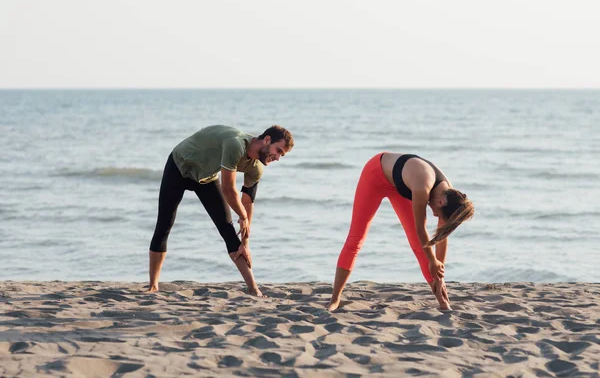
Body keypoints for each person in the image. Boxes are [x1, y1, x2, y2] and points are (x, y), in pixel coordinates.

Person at [147, 125, 294, 296]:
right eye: (278, 150)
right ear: (267, 140)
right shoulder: (236, 145)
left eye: (281, 155)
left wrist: (245, 243)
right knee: (164, 224)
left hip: (205, 178)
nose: (277, 158)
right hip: (179, 166)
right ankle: (153, 286)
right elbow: (228, 189)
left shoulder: (256, 168)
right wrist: (243, 216)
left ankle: (254, 289)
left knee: (228, 230)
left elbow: (247, 203)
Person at [327, 152, 474, 311]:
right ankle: (335, 300)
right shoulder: (422, 185)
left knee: (419, 247)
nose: (434, 214)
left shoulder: (451, 197)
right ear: (440, 201)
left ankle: (443, 303)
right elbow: (420, 229)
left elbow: (441, 236)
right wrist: (432, 260)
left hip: (399, 187)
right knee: (356, 238)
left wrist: (439, 272)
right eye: (437, 212)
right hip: (375, 175)